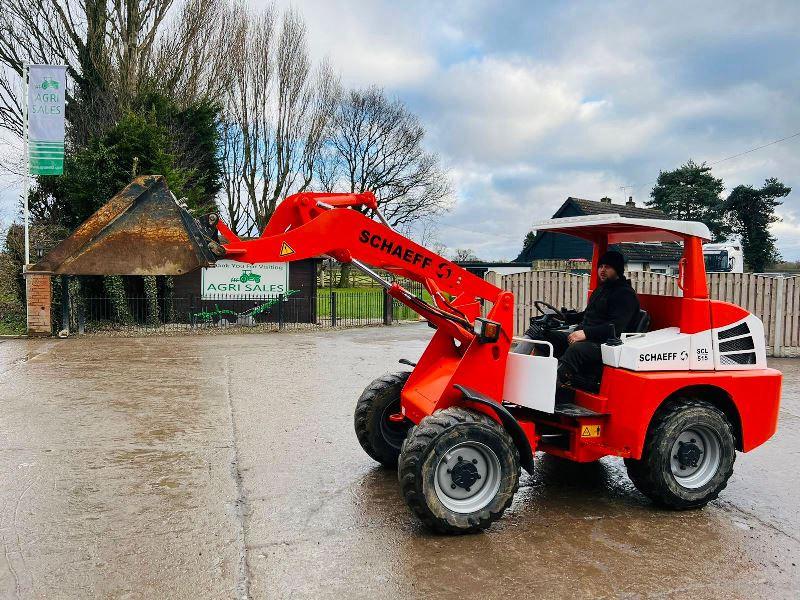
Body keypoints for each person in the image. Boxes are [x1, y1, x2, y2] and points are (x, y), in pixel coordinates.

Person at [524, 250, 640, 389]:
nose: (602, 270)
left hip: (608, 344)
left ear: (617, 269)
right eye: (601, 266)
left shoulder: (625, 294)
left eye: (607, 267)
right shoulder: (602, 289)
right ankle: (532, 377)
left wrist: (585, 333)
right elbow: (586, 315)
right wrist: (564, 316)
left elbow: (616, 327)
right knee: (544, 336)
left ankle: (549, 388)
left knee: (576, 350)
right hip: (589, 338)